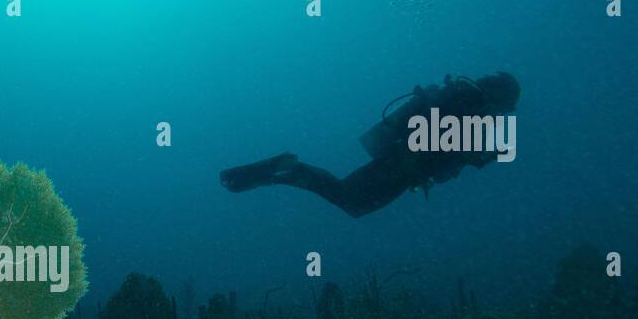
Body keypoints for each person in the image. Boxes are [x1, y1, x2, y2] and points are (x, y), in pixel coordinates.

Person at [220, 72, 521, 217]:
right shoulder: (473, 111)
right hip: (402, 166)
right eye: (506, 108)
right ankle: (287, 170)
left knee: (349, 198)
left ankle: (280, 173)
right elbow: (450, 150)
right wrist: (479, 157)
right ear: (501, 99)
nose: (503, 114)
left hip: (398, 161)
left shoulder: (462, 102)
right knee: (352, 200)